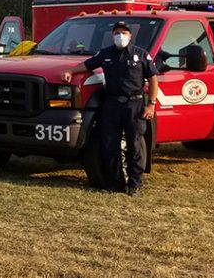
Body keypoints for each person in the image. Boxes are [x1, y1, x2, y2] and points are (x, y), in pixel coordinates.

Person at [61, 21, 158, 195]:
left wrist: (151, 104)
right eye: (117, 33)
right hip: (112, 104)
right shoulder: (105, 54)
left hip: (134, 104)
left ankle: (135, 184)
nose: (120, 36)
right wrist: (71, 71)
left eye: (124, 33)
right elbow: (88, 64)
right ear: (112, 36)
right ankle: (114, 183)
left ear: (130, 35)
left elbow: (153, 79)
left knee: (134, 145)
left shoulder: (141, 54)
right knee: (110, 144)